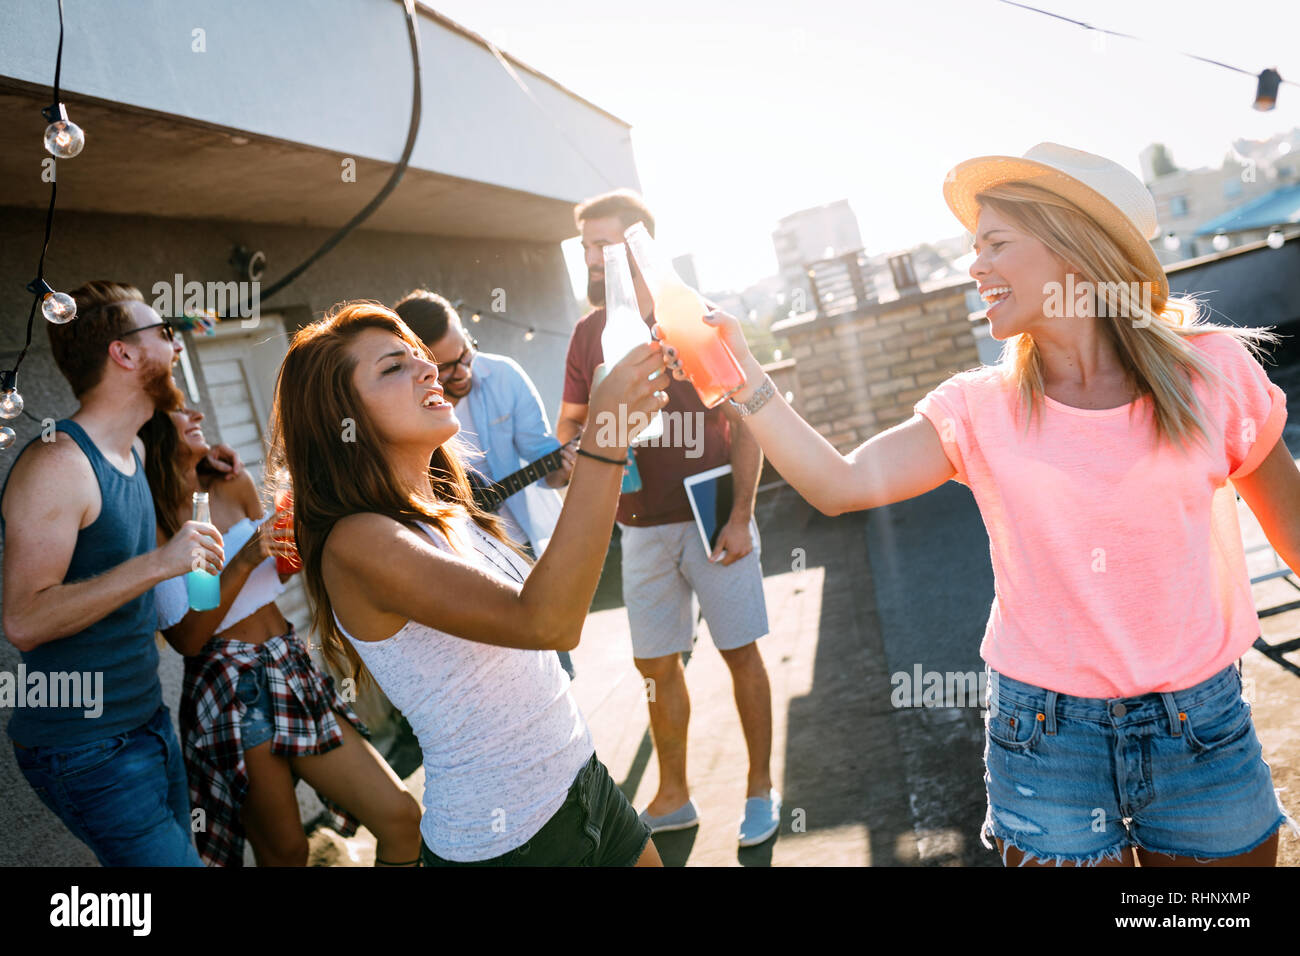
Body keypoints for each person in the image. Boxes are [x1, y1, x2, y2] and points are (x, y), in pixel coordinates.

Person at [663, 143, 1300, 867]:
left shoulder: (1211, 374)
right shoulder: (979, 407)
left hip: (1202, 728)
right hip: (1046, 737)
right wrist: (742, 375)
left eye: (996, 243)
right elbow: (837, 483)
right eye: (974, 247)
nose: (974, 265)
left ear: (1076, 249)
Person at [265, 300, 669, 866]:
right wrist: (606, 437)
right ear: (342, 423)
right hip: (510, 844)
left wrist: (612, 431)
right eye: (392, 368)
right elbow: (547, 621)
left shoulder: (445, 508)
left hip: (585, 783)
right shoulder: (357, 543)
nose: (428, 369)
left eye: (418, 357)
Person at [556, 189, 781, 847]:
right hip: (639, 521)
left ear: (638, 244)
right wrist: (573, 455)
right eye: (588, 246)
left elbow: (750, 423)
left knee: (740, 651)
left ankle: (761, 789)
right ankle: (675, 795)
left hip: (712, 506)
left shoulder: (692, 316)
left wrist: (740, 515)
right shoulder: (588, 333)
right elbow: (571, 434)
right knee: (655, 665)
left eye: (606, 243)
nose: (595, 257)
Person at [1, 280, 230, 866]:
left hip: (146, 721)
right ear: (123, 353)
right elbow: (24, 621)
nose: (176, 345)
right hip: (85, 746)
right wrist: (160, 563)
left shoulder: (137, 452)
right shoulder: (58, 464)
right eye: (162, 332)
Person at [139, 402, 422, 866]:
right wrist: (247, 556)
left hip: (288, 664)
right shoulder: (154, 522)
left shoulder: (232, 483)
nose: (193, 411)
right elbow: (189, 638)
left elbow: (282, 571)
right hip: (230, 687)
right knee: (287, 852)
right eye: (174, 408)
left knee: (400, 815)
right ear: (148, 429)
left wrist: (296, 525)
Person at [394, 290, 578, 678]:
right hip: (450, 567)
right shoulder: (399, 413)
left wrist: (569, 464)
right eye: (445, 367)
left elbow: (547, 461)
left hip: (518, 548)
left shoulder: (505, 376)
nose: (462, 371)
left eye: (465, 354)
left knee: (554, 667)